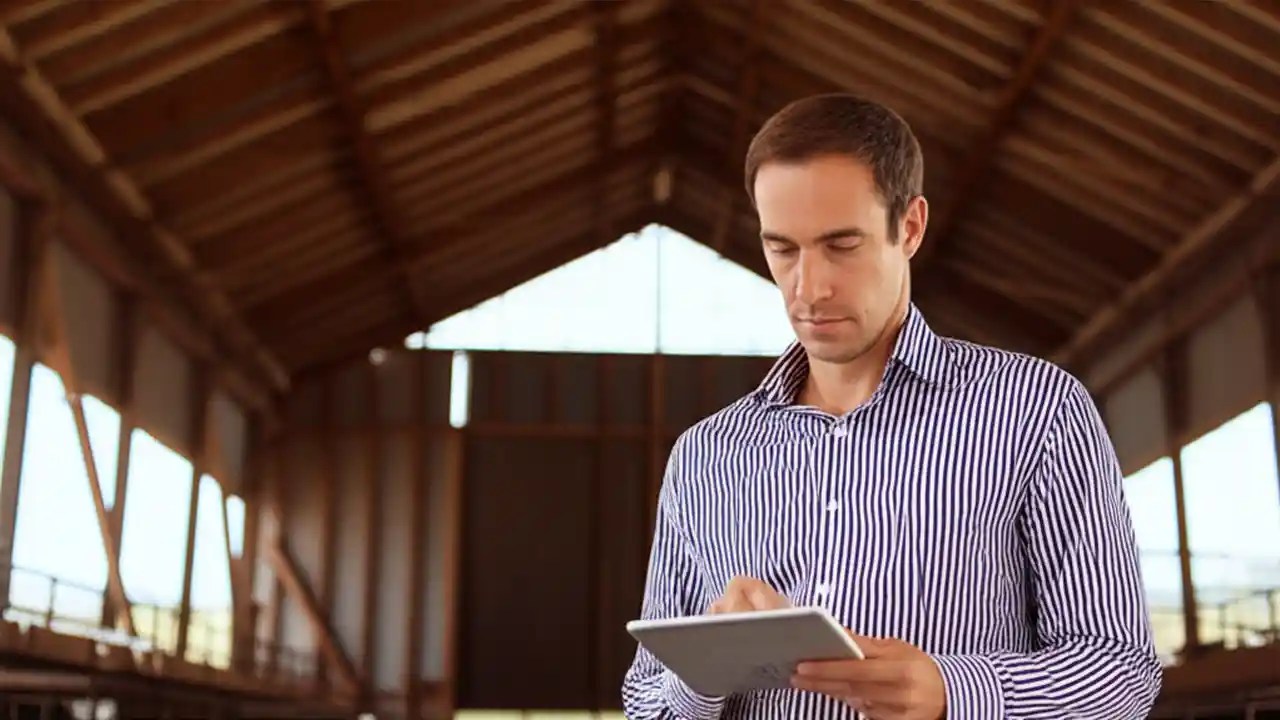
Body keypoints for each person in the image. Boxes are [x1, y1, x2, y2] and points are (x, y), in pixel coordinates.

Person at [620, 93, 1162, 719]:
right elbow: (645, 702)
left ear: (909, 227)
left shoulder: (1037, 411)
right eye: (783, 249)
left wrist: (953, 691)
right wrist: (707, 668)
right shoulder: (707, 457)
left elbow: (1120, 672)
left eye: (841, 245)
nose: (809, 288)